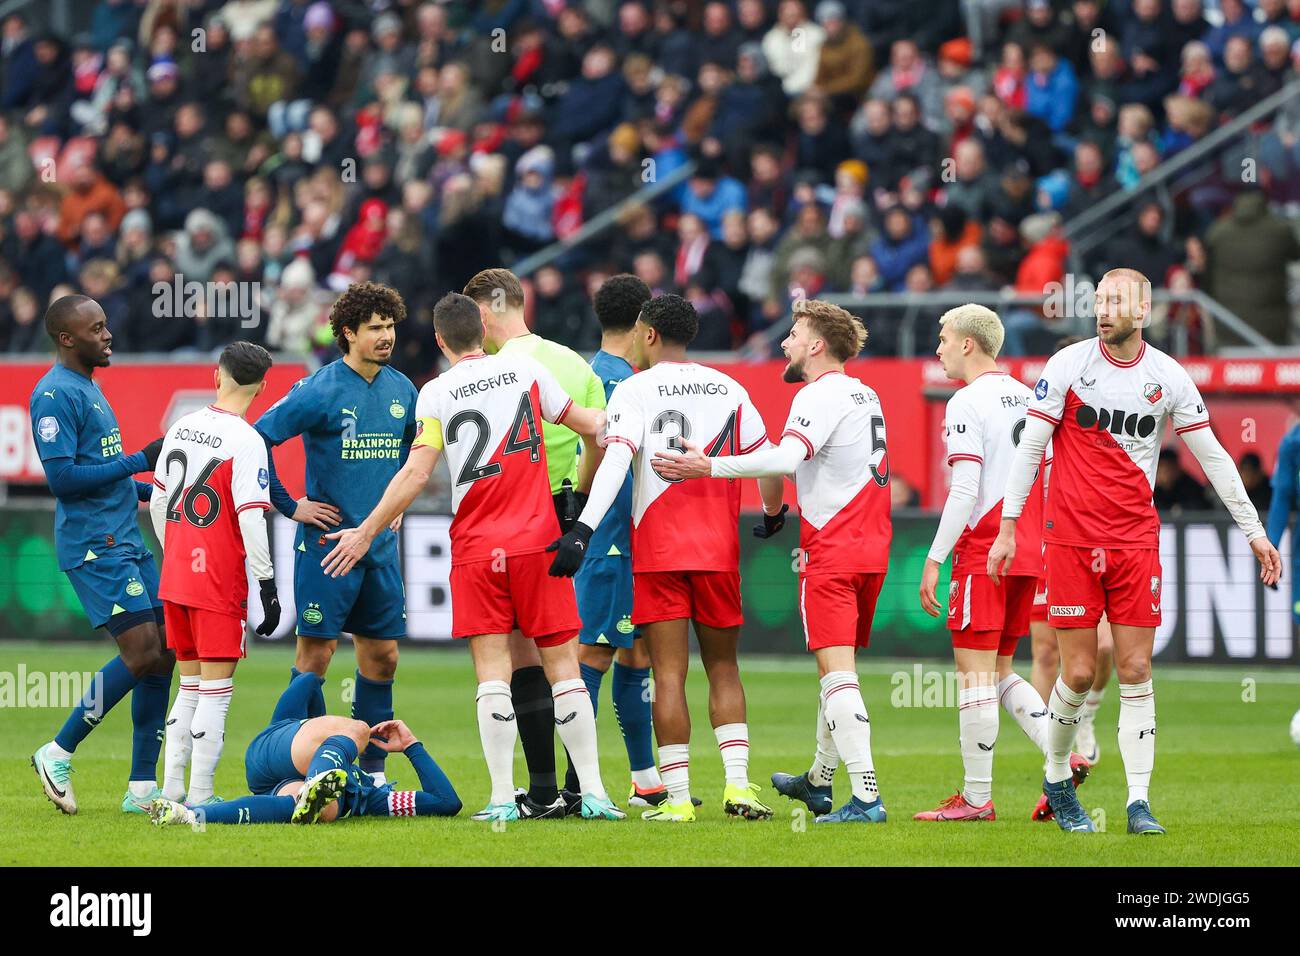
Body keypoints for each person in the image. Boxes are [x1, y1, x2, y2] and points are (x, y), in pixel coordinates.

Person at [989, 268, 1281, 835]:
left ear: (1143, 310)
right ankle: (1056, 775)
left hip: (1134, 541)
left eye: (1115, 301)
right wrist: (1008, 526)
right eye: (1098, 300)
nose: (1103, 310)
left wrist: (1254, 530)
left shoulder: (1167, 376)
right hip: (1071, 539)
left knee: (1137, 668)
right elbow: (1030, 449)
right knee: (1075, 672)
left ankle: (1138, 803)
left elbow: (1214, 457)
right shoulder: (1068, 365)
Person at [321, 293, 622, 822]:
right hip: (537, 538)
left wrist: (367, 530)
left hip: (477, 547)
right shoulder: (526, 371)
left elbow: (416, 473)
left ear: (439, 341)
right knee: (563, 668)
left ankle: (503, 799)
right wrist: (623, 422)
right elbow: (588, 423)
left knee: (491, 674)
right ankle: (594, 794)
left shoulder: (434, 392)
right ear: (483, 327)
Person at [653, 299, 891, 824]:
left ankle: (868, 796)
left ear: (816, 345)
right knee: (835, 675)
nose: (785, 342)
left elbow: (786, 458)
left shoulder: (819, 393)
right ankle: (819, 782)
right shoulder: (864, 392)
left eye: (794, 333)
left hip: (832, 548)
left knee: (837, 677)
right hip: (872, 545)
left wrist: (708, 466)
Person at [549, 294, 774, 824]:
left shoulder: (634, 388)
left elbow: (614, 461)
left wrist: (581, 527)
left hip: (658, 552)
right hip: (718, 552)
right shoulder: (730, 386)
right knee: (724, 667)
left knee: (667, 675)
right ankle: (739, 788)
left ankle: (675, 800)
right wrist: (774, 510)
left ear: (648, 334)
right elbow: (767, 458)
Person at [916, 304, 1088, 821]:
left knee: (973, 675)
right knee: (1000, 669)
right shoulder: (1031, 395)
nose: (939, 348)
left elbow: (966, 487)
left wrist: (934, 558)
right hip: (1029, 548)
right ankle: (1064, 753)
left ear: (969, 343)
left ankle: (976, 798)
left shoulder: (967, 401)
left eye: (944, 338)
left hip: (985, 547)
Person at [255, 282, 419, 785]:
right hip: (327, 551)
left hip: (379, 551)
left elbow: (415, 457)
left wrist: (396, 508)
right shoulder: (321, 388)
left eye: (390, 326)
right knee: (315, 658)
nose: (386, 336)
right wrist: (290, 505)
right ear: (348, 333)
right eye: (374, 328)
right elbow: (256, 437)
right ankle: (297, 761)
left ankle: (369, 773)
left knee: (382, 657)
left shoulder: (403, 389)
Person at [462, 266, 608, 817]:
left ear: (483, 312)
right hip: (567, 516)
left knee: (518, 658)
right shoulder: (575, 362)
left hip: (507, 517)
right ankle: (583, 789)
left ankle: (541, 789)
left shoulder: (487, 372)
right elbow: (598, 433)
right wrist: (582, 499)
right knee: (565, 655)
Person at [29, 294, 172, 816]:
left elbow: (107, 474)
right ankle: (58, 750)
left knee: (166, 651)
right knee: (140, 652)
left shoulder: (89, 387)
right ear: (68, 338)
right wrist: (140, 459)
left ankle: (140, 791)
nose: (108, 335)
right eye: (96, 328)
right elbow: (63, 480)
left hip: (126, 540)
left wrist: (154, 492)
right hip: (94, 546)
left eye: (107, 325)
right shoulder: (54, 395)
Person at [148, 341, 282, 808]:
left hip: (178, 576)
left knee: (187, 686)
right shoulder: (248, 441)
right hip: (218, 580)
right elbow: (251, 517)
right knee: (216, 692)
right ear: (263, 387)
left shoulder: (181, 426)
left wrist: (175, 554)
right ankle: (201, 796)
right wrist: (266, 584)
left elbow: (160, 502)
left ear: (216, 377)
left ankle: (170, 791)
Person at [563, 274, 666, 807]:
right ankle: (576, 786)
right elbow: (596, 459)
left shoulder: (596, 375)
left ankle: (646, 780)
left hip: (631, 540)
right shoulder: (616, 385)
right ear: (644, 324)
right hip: (608, 540)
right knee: (596, 650)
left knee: (638, 652)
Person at [148, 672, 460, 826]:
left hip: (274, 771)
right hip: (283, 754)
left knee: (323, 808)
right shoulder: (369, 796)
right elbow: (308, 684)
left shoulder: (373, 799)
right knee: (358, 731)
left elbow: (447, 803)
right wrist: (318, 721)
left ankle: (187, 815)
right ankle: (317, 780)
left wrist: (412, 746)